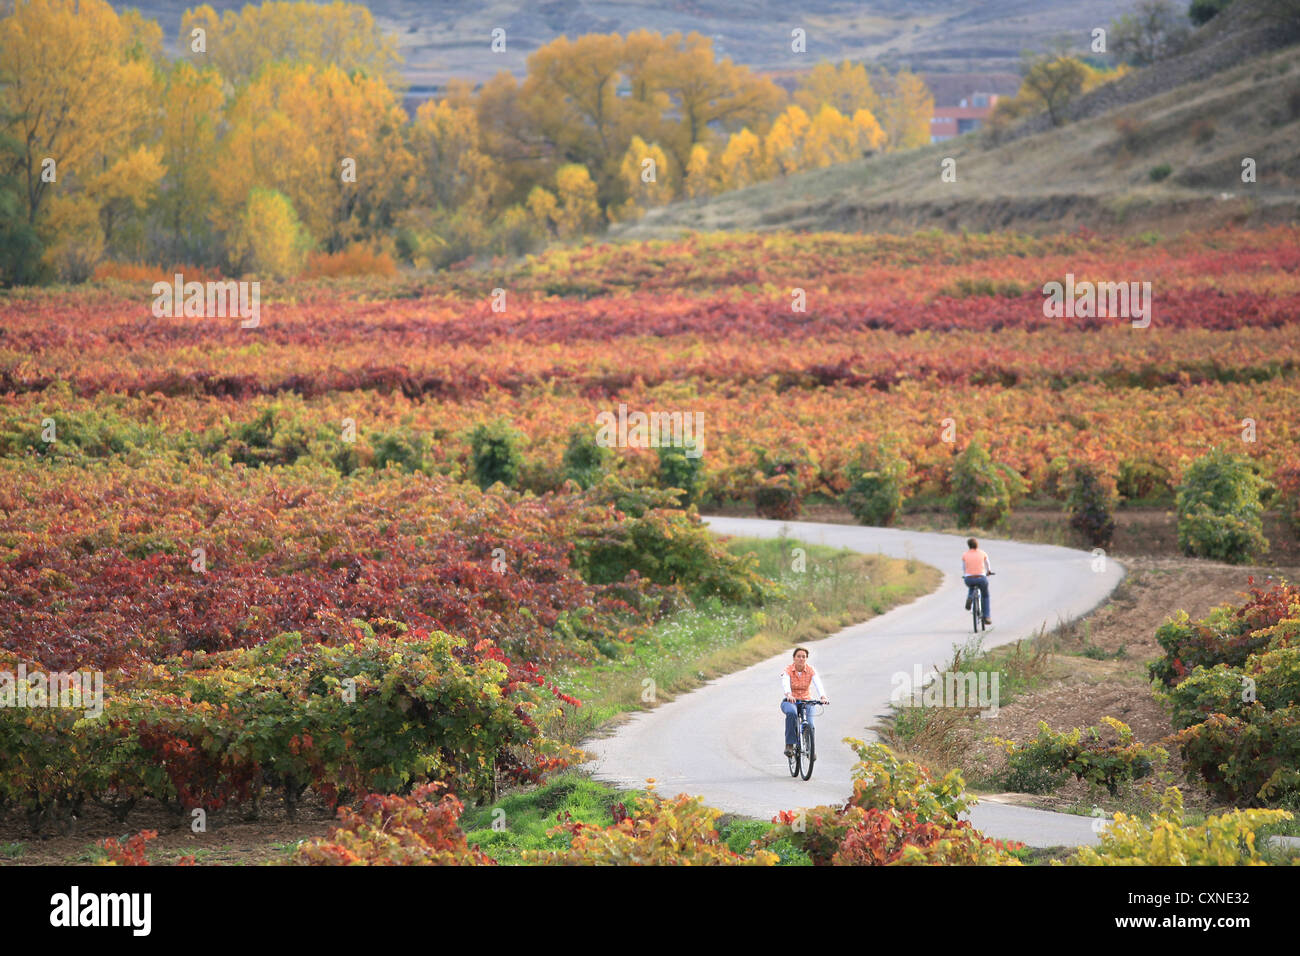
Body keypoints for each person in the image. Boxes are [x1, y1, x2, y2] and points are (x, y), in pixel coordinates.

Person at [781, 647, 827, 757]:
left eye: (804, 657)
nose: (801, 659)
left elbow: (818, 683)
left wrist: (823, 696)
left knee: (810, 724)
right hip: (791, 701)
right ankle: (790, 745)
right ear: (794, 658)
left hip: (806, 701)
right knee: (792, 713)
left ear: (806, 659)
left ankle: (810, 748)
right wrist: (788, 694)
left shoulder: (811, 670)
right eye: (798, 656)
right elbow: (785, 682)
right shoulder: (788, 670)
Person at [962, 537, 993, 626]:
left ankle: (970, 597)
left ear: (968, 545)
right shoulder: (982, 553)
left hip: (969, 578)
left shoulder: (965, 555)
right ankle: (987, 616)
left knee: (971, 586)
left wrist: (965, 575)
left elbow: (964, 567)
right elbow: (987, 564)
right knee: (985, 595)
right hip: (981, 578)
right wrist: (989, 571)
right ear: (977, 544)